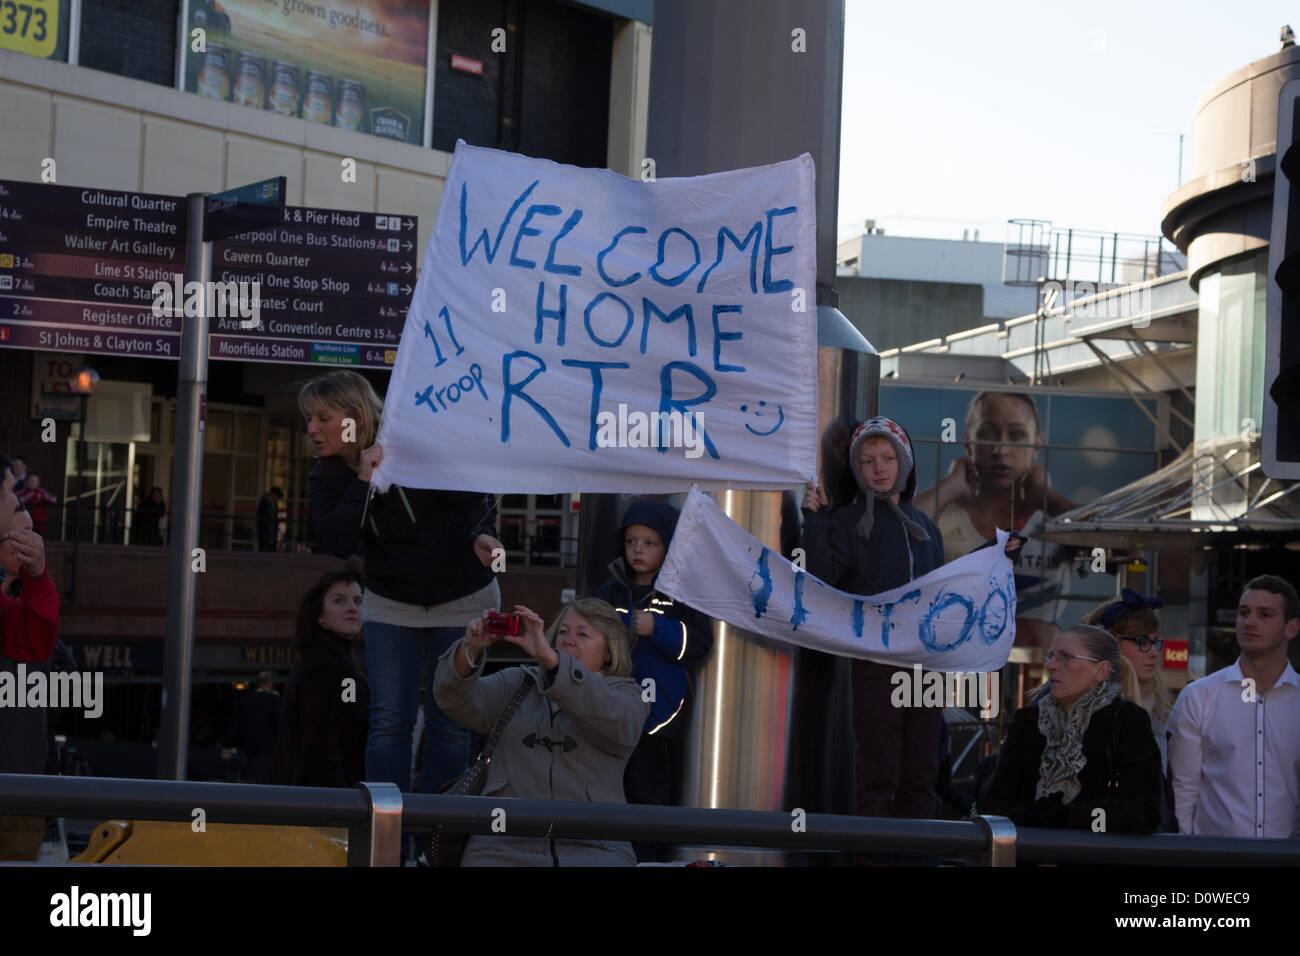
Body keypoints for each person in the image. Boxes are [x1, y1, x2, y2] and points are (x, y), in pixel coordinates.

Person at [799, 417, 1018, 823]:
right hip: (877, 666)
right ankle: (873, 860)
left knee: (921, 776)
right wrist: (814, 521)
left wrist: (995, 553)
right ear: (856, 469)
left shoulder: (927, 528)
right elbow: (819, 582)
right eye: (867, 461)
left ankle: (916, 857)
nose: (878, 468)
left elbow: (946, 593)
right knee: (878, 777)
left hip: (928, 669)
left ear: (905, 463)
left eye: (887, 458)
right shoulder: (845, 523)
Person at [302, 370, 504, 796]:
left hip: (461, 595)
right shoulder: (327, 475)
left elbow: (473, 494)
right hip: (392, 600)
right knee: (390, 719)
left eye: (321, 418)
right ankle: (383, 838)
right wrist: (362, 479)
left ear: (355, 415)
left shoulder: (418, 439)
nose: (311, 430)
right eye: (309, 419)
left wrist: (481, 535)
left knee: (448, 720)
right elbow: (337, 541)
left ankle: (437, 840)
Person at [433, 599, 649, 866]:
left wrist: (554, 663)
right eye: (562, 632)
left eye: (582, 634)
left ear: (609, 652)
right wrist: (470, 650)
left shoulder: (628, 694)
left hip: (595, 849)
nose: (569, 640)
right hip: (499, 847)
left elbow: (620, 726)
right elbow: (453, 700)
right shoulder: (517, 683)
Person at [592, 501, 712, 858]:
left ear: (668, 547)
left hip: (654, 722)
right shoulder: (608, 591)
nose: (638, 550)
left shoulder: (681, 595)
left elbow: (700, 643)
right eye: (632, 542)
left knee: (647, 801)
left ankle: (646, 861)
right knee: (605, 801)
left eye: (649, 542)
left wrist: (657, 628)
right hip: (608, 720)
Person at [912, 391, 1077, 647]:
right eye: (988, 434)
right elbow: (891, 531)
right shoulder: (941, 512)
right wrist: (949, 487)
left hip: (1034, 674)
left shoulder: (1055, 517)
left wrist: (1047, 498)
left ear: (1036, 445)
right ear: (968, 444)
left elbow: (1119, 547)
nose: (1001, 450)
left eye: (1017, 435)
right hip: (950, 676)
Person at [980, 624, 1161, 833]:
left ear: (1101, 670)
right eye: (1051, 656)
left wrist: (1070, 817)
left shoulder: (1127, 721)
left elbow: (1143, 813)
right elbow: (994, 805)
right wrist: (1032, 816)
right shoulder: (1028, 720)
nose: (1052, 665)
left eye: (1066, 657)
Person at [1167, 575, 1300, 838]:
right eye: (1244, 612)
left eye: (1265, 614)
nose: (1249, 622)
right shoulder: (1198, 697)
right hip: (1216, 859)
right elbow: (1183, 791)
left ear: (1291, 628)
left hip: (1288, 859)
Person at [0, 452, 59, 861]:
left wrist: (38, 576)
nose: (16, 501)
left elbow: (36, 645)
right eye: (8, 491)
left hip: (19, 792)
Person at [269, 569, 370, 788]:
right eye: (339, 601)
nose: (352, 608)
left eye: (358, 600)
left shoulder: (336, 661)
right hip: (321, 803)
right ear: (320, 617)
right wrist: (340, 801)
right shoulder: (323, 665)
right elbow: (320, 742)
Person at [223, 670, 282, 783]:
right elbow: (279, 726)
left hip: (246, 749)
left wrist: (228, 745)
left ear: (257, 683)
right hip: (266, 751)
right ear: (270, 684)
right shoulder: (275, 701)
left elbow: (235, 724)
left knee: (247, 781)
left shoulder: (245, 700)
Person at [256, 486, 283, 552]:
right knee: (265, 549)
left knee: (268, 549)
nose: (278, 499)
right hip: (266, 533)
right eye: (277, 497)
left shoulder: (272, 503)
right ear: (273, 495)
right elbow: (263, 519)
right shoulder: (267, 503)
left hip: (270, 533)